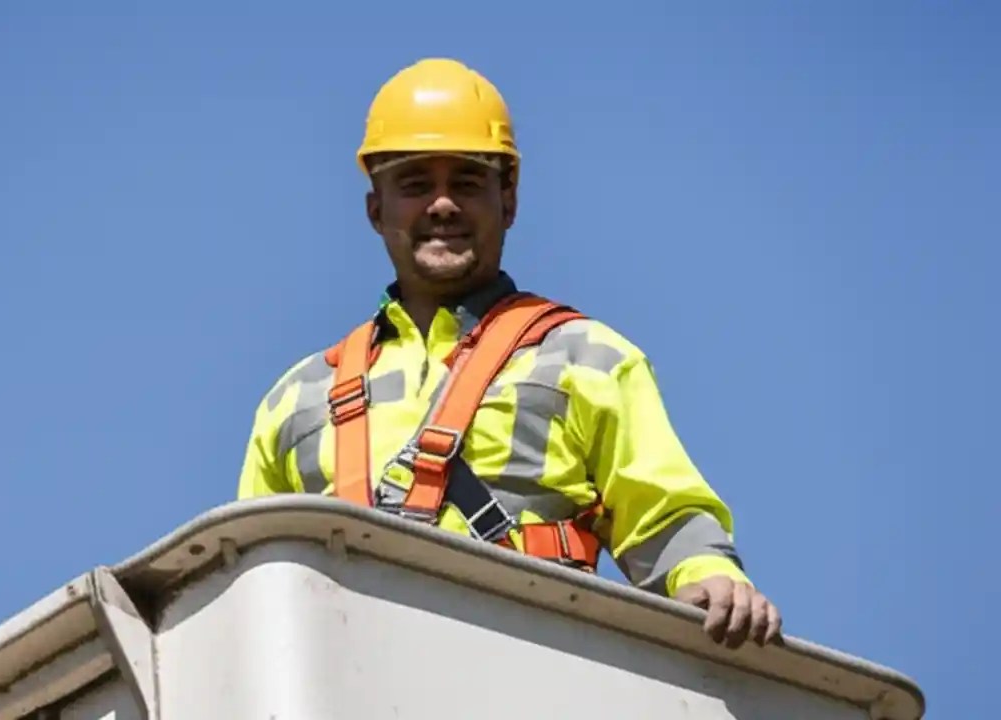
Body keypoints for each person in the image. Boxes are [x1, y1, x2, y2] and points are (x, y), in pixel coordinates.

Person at [236, 57, 782, 649]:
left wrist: (712, 578)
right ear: (376, 210)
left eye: (467, 183)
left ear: (509, 202)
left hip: (530, 676)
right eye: (416, 184)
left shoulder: (585, 359)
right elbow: (251, 581)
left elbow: (664, 516)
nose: (442, 205)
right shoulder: (297, 401)